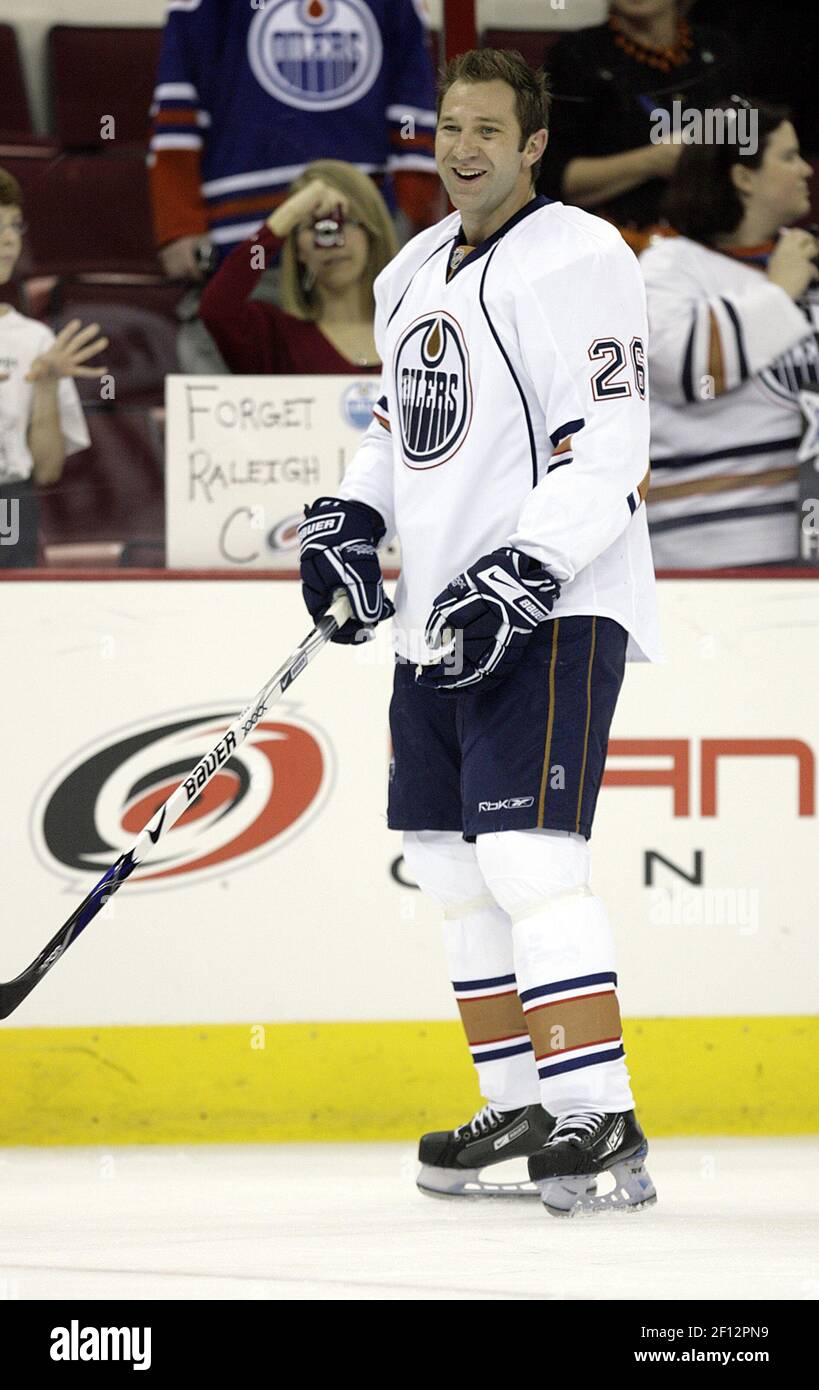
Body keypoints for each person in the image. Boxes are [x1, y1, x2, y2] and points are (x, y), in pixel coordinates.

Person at [298, 49, 662, 1216]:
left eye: (489, 130)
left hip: (551, 603)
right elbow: (400, 434)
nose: (464, 148)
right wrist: (352, 519)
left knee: (529, 860)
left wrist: (525, 568)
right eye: (451, 126)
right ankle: (518, 1098)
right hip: (437, 620)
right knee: (457, 874)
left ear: (535, 143)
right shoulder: (407, 272)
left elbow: (611, 438)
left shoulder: (582, 254)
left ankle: (595, 1109)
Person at [641, 101, 818, 567]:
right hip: (706, 554)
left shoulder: (804, 260)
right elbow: (682, 371)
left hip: (806, 549)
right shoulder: (668, 266)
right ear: (743, 177)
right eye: (788, 157)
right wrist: (780, 293)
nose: (805, 169)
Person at [149, 0, 439, 280]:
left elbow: (412, 105)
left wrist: (405, 217)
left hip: (363, 245)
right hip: (245, 252)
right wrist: (180, 224)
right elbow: (179, 106)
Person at [540, 0, 745, 251]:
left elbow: (750, 148)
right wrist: (653, 160)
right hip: (615, 242)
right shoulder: (576, 55)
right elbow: (553, 178)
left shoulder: (720, 51)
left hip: (714, 236)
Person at [0, 169, 107, 568]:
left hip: (9, 505)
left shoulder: (34, 340)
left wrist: (46, 386)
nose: (10, 238)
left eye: (13, 225)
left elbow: (46, 471)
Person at [198, 160, 397, 375]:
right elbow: (217, 309)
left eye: (345, 221)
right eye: (315, 226)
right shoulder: (274, 337)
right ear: (297, 249)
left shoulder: (411, 328)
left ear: (372, 233)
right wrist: (291, 213)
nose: (333, 240)